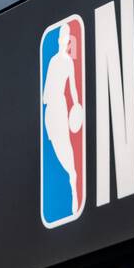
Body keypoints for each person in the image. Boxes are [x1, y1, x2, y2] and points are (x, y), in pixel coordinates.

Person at [42, 24, 82, 214]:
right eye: (63, 36)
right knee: (57, 149)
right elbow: (46, 89)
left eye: (68, 37)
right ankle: (70, 178)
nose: (65, 40)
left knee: (66, 148)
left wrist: (77, 105)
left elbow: (73, 86)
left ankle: (73, 184)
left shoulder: (68, 62)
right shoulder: (52, 61)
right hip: (50, 111)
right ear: (59, 39)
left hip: (61, 107)